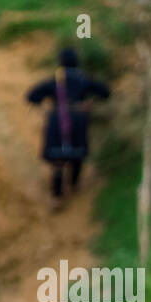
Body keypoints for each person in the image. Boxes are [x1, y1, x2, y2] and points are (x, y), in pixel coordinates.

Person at [25, 48, 110, 206]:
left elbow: (32, 96)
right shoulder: (83, 80)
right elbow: (105, 92)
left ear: (60, 63)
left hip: (57, 120)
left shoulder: (55, 81)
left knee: (58, 161)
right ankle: (74, 185)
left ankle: (56, 196)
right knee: (76, 155)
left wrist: (44, 109)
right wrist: (90, 102)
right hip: (78, 120)